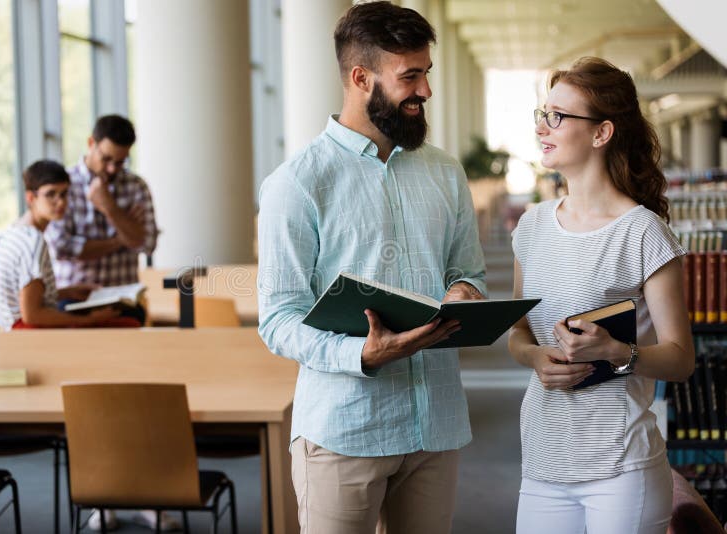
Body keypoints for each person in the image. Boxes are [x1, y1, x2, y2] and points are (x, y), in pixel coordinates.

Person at [257, 2, 486, 532]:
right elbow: (278, 318)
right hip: (344, 429)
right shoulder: (297, 184)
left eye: (426, 73)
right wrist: (358, 353)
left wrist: (465, 292)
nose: (425, 91)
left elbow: (468, 270)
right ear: (361, 78)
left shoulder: (446, 173)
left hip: (436, 426)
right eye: (410, 76)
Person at [508, 56, 695, 534]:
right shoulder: (531, 227)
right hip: (544, 457)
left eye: (558, 116)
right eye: (542, 115)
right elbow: (518, 333)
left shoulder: (644, 233)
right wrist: (535, 357)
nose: (543, 128)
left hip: (621, 465)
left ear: (601, 133)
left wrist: (617, 353)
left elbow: (681, 359)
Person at [0, 160, 139, 330]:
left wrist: (66, 292)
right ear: (31, 197)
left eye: (64, 194)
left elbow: (25, 298)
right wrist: (90, 320)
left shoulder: (14, 232)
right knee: (130, 322)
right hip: (27, 333)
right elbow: (31, 315)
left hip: (12, 330)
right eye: (51, 194)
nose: (60, 202)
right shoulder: (33, 241)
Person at [44, 114, 157, 326]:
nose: (112, 168)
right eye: (106, 159)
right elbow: (62, 248)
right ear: (91, 144)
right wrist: (122, 239)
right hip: (74, 300)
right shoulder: (63, 186)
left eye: (120, 162)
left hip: (123, 300)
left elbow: (147, 244)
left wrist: (109, 207)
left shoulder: (137, 187)